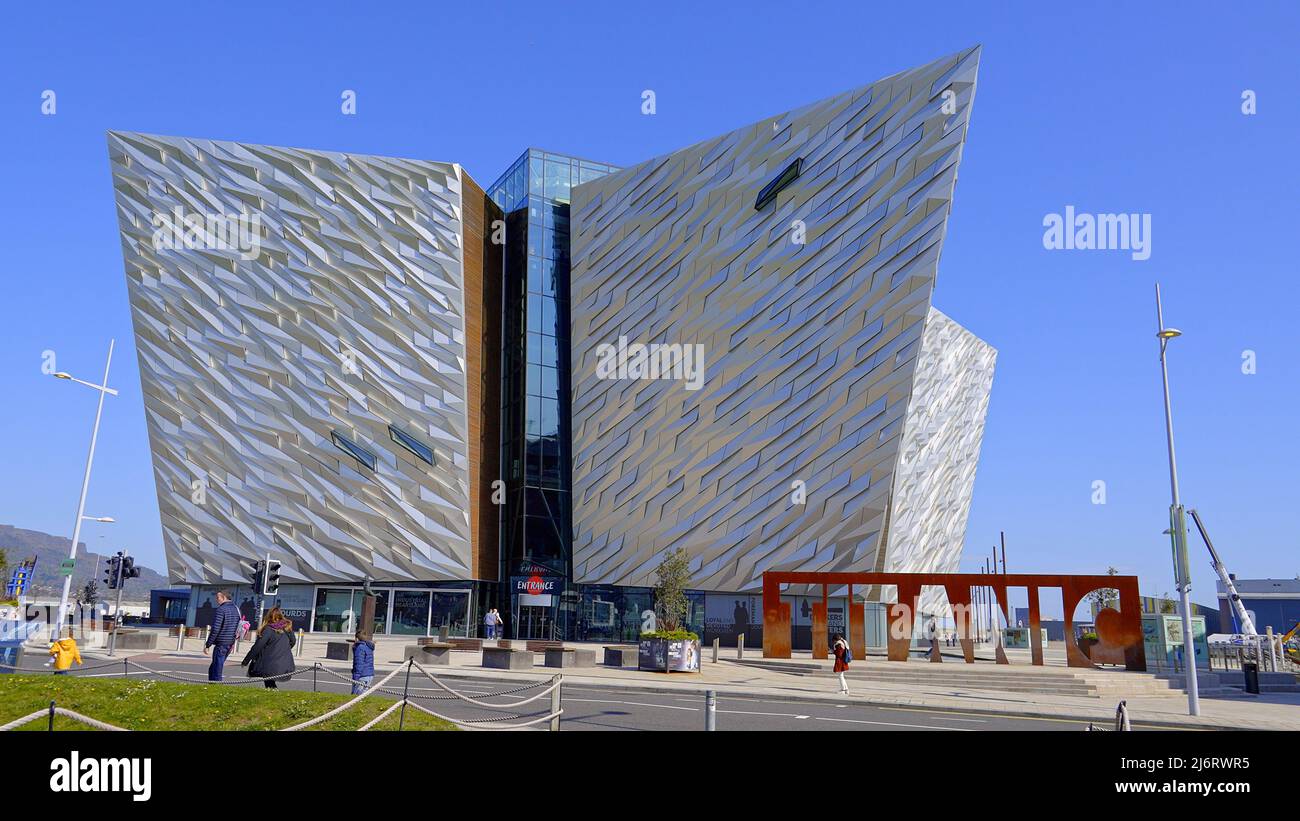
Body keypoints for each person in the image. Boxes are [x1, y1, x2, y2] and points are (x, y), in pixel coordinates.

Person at [240, 607, 297, 688]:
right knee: (270, 683)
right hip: (285, 661)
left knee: (269, 682)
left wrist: (246, 661)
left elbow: (258, 646)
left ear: (269, 616)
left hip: (269, 663)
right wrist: (283, 650)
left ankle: (274, 694)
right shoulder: (287, 628)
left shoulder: (268, 629)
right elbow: (293, 641)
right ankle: (273, 694)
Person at [203, 589, 241, 682]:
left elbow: (216, 629)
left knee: (216, 668)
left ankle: (217, 685)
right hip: (230, 642)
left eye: (218, 598)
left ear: (224, 597)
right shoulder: (236, 609)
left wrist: (208, 644)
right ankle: (213, 684)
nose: (216, 600)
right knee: (214, 667)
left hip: (221, 642)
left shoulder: (221, 609)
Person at [351, 628, 375, 695]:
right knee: (363, 696)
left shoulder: (359, 648)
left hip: (362, 675)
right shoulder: (368, 646)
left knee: (356, 697)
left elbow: (359, 664)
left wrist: (356, 677)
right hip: (369, 674)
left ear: (357, 638)